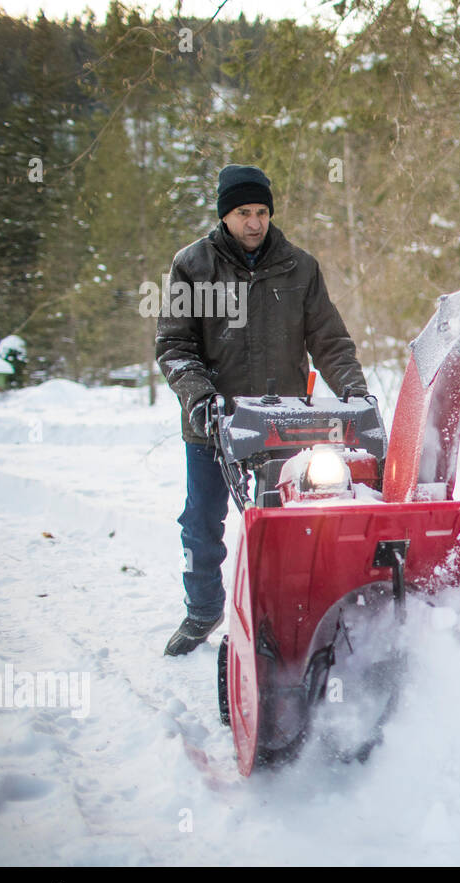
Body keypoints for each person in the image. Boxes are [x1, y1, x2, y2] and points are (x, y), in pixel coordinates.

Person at [156, 164, 369, 656]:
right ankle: (203, 609)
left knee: (285, 524)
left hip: (285, 426)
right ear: (224, 216)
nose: (254, 222)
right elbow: (174, 345)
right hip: (214, 424)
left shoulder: (299, 267)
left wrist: (355, 390)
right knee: (203, 521)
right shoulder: (193, 266)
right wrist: (199, 396)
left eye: (261, 212)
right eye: (242, 213)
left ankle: (282, 617)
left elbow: (330, 341)